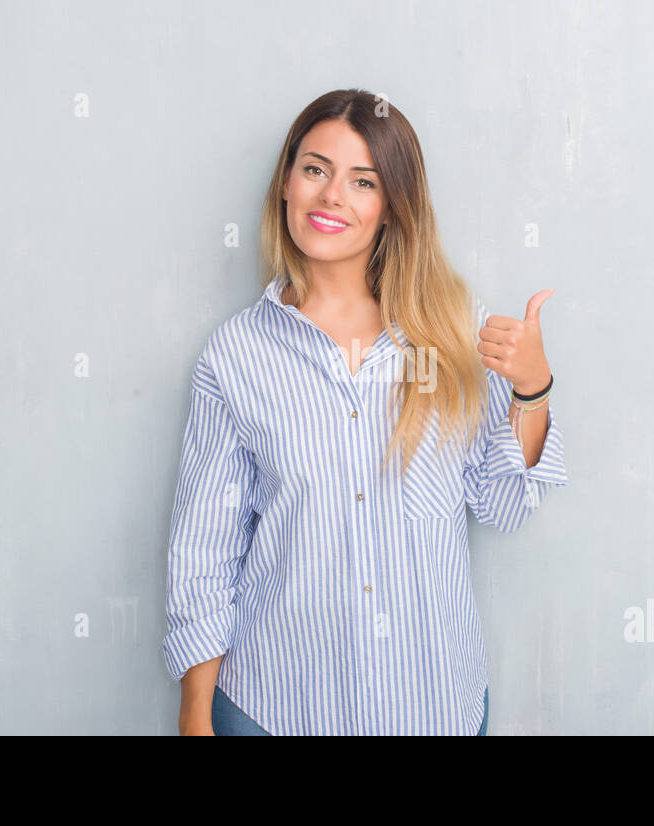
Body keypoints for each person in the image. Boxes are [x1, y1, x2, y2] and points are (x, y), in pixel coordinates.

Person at [161, 89, 568, 735]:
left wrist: (533, 389)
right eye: (315, 169)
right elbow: (205, 552)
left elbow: (503, 505)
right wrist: (194, 715)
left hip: (433, 703)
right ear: (286, 184)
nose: (331, 197)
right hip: (278, 706)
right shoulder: (236, 356)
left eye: (362, 181)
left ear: (391, 206)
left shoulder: (453, 330)